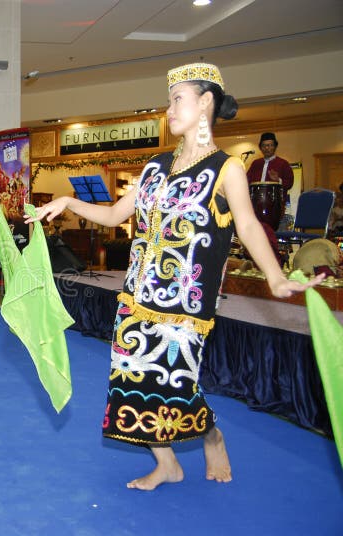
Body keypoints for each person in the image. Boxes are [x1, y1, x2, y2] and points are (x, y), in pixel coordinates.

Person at [26, 63, 325, 491]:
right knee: (130, 378)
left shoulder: (227, 170)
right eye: (169, 100)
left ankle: (212, 435)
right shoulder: (155, 165)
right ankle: (167, 463)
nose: (169, 109)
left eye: (177, 99)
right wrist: (68, 201)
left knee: (175, 383)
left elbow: (247, 225)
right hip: (136, 294)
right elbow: (114, 213)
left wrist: (276, 278)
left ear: (206, 102)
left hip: (186, 300)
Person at [246, 132, 294, 207]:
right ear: (260, 148)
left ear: (275, 147)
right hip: (255, 204)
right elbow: (247, 181)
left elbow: (290, 183)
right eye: (264, 146)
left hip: (275, 205)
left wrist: (278, 180)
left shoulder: (283, 164)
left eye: (270, 145)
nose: (267, 148)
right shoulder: (255, 164)